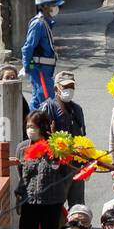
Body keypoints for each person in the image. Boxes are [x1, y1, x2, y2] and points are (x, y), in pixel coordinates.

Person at [15, 110, 73, 229]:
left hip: (51, 203)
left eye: (32, 126)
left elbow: (66, 174)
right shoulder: (22, 148)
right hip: (29, 202)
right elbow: (21, 174)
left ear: (42, 127)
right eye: (27, 126)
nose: (29, 130)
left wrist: (60, 194)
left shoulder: (56, 147)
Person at [38, 71, 87, 206]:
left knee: (77, 204)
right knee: (55, 205)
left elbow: (83, 136)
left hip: (75, 165)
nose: (69, 90)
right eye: (65, 87)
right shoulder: (47, 107)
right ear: (56, 89)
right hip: (56, 166)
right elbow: (40, 139)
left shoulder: (77, 109)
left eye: (72, 87)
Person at [21, 0, 64, 110]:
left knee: (38, 100)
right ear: (45, 6)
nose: (56, 7)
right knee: (46, 100)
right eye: (53, 4)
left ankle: (30, 123)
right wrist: (27, 67)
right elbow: (28, 47)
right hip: (40, 69)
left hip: (45, 69)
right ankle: (37, 126)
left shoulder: (46, 22)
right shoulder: (38, 23)